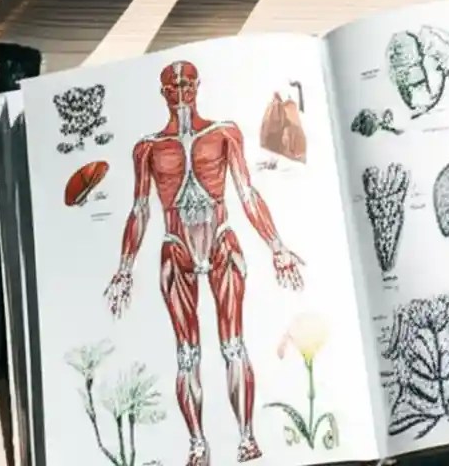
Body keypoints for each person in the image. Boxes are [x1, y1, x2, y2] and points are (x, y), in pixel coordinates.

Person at [104, 60, 305, 465]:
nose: (180, 90)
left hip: (221, 241)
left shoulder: (224, 132)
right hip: (175, 245)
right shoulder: (147, 147)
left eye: (187, 83)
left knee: (233, 344)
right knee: (187, 353)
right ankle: (198, 444)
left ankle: (246, 438)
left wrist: (277, 246)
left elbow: (247, 193)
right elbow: (140, 209)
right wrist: (125, 269)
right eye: (173, 85)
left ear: (198, 86)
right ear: (163, 92)